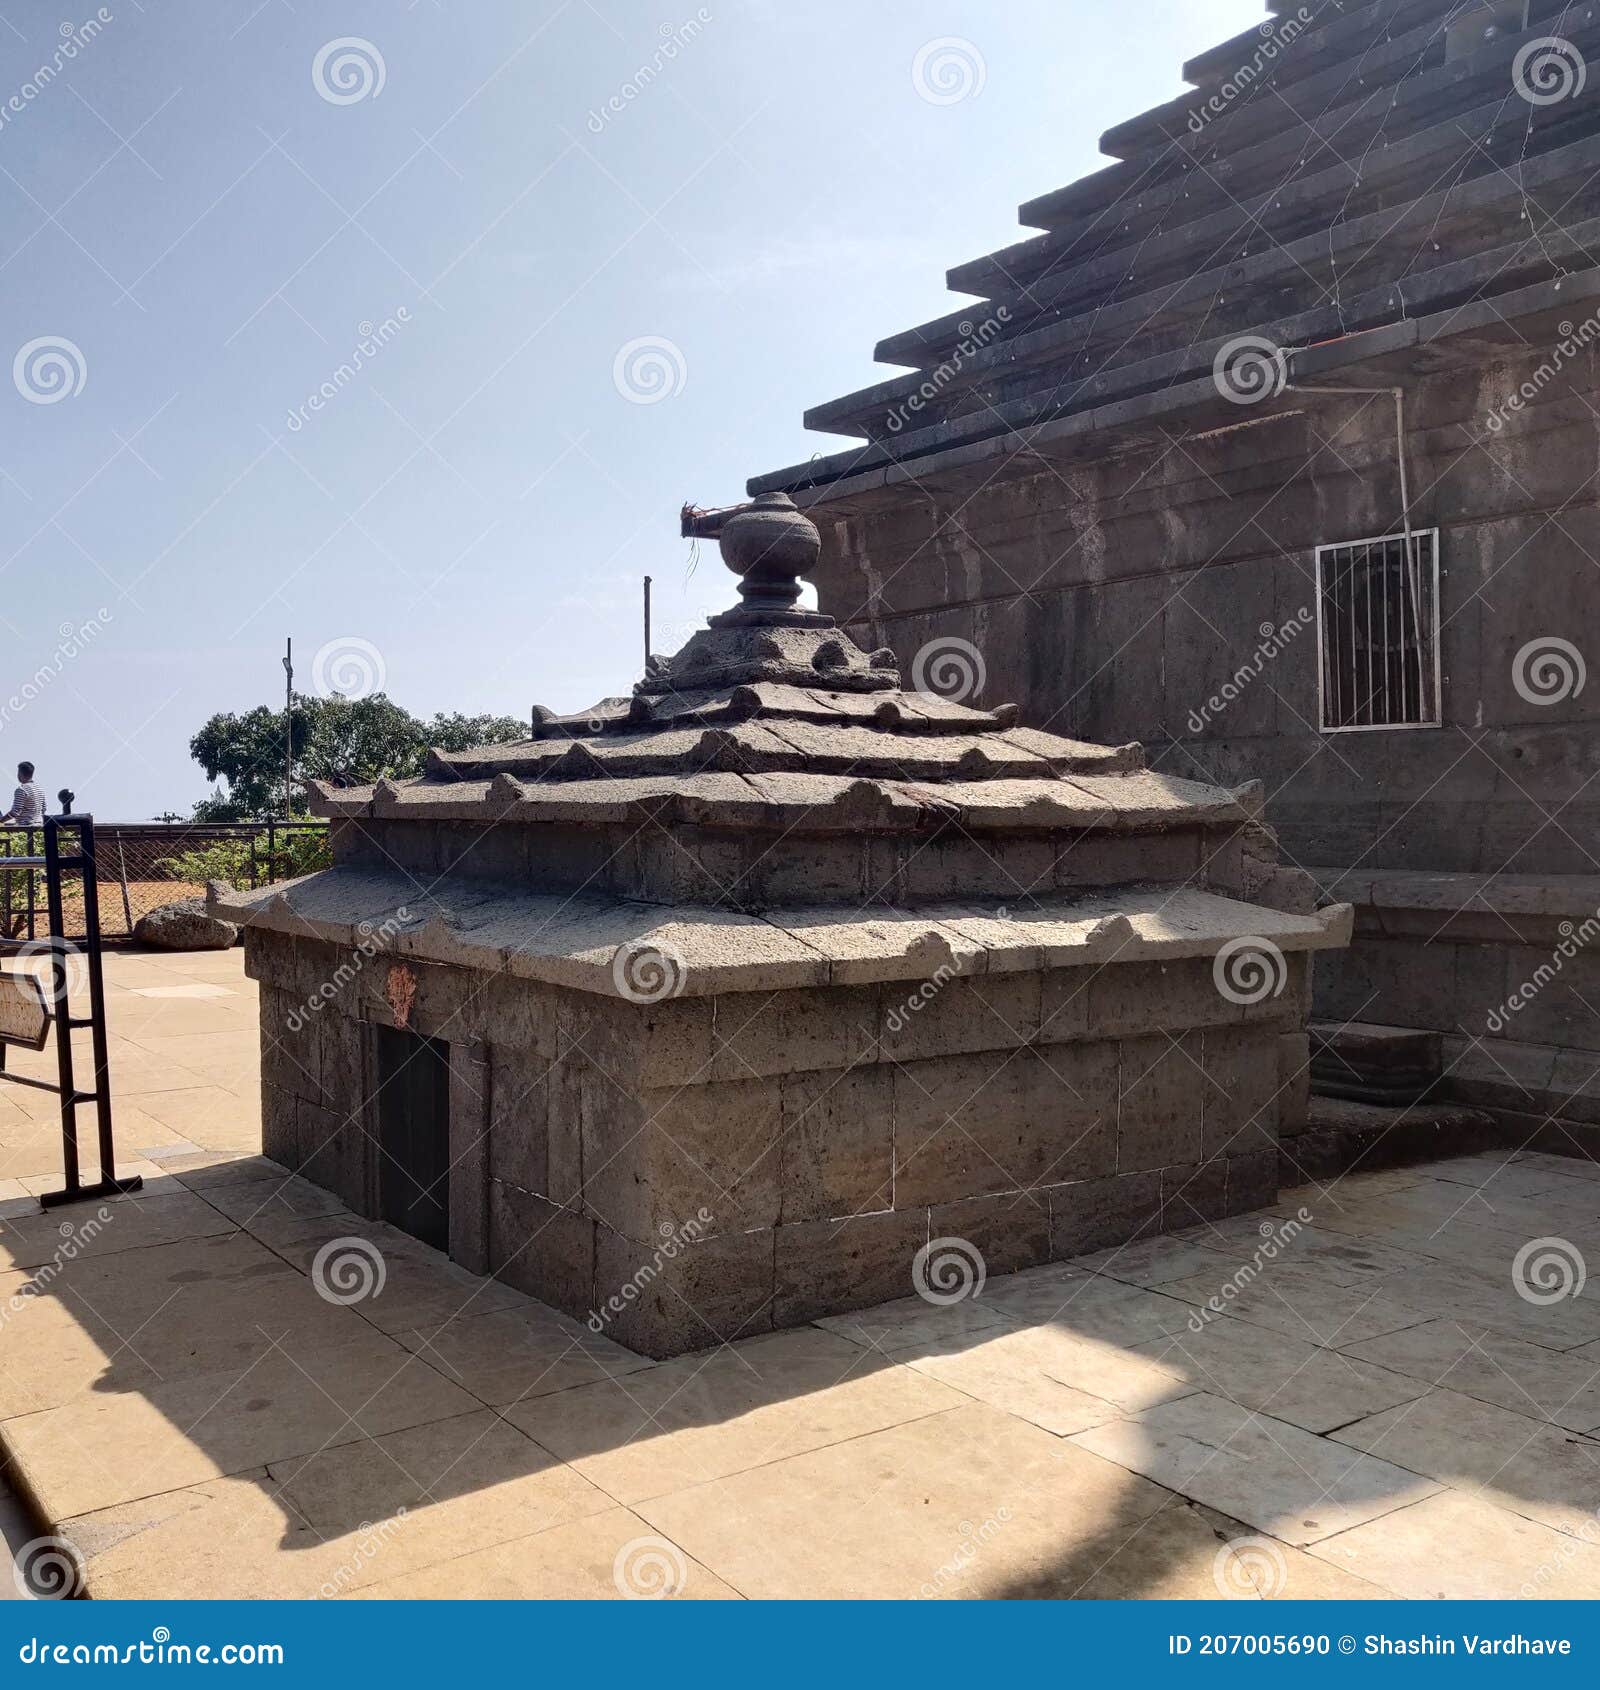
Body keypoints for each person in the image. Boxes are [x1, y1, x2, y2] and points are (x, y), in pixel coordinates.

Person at [1, 762, 47, 826]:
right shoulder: (39, 789)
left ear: (20, 773)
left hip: (25, 826)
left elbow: (15, 812)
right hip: (39, 826)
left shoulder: (21, 789)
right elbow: (44, 808)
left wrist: (1, 820)